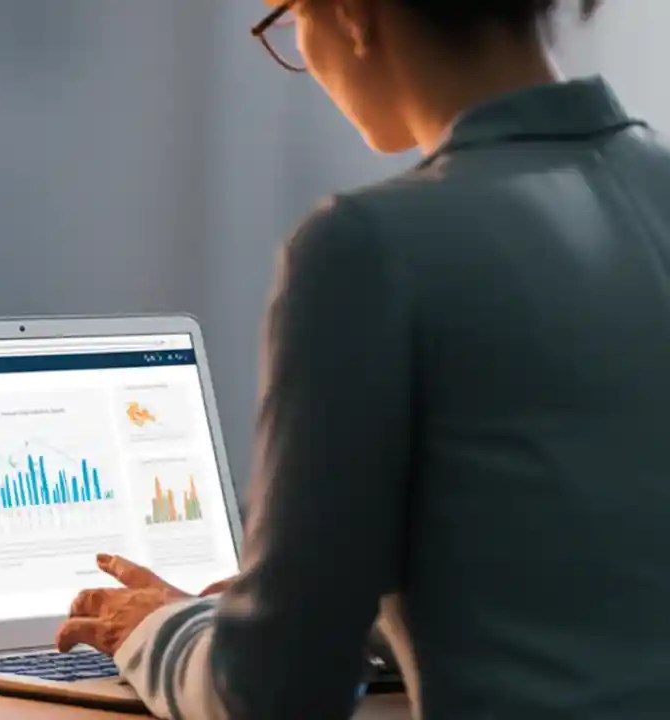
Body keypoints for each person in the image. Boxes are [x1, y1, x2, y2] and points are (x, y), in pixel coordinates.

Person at [56, 0, 670, 717]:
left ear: (349, 12)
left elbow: (271, 696)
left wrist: (159, 628)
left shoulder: (367, 248)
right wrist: (343, 603)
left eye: (285, 21)